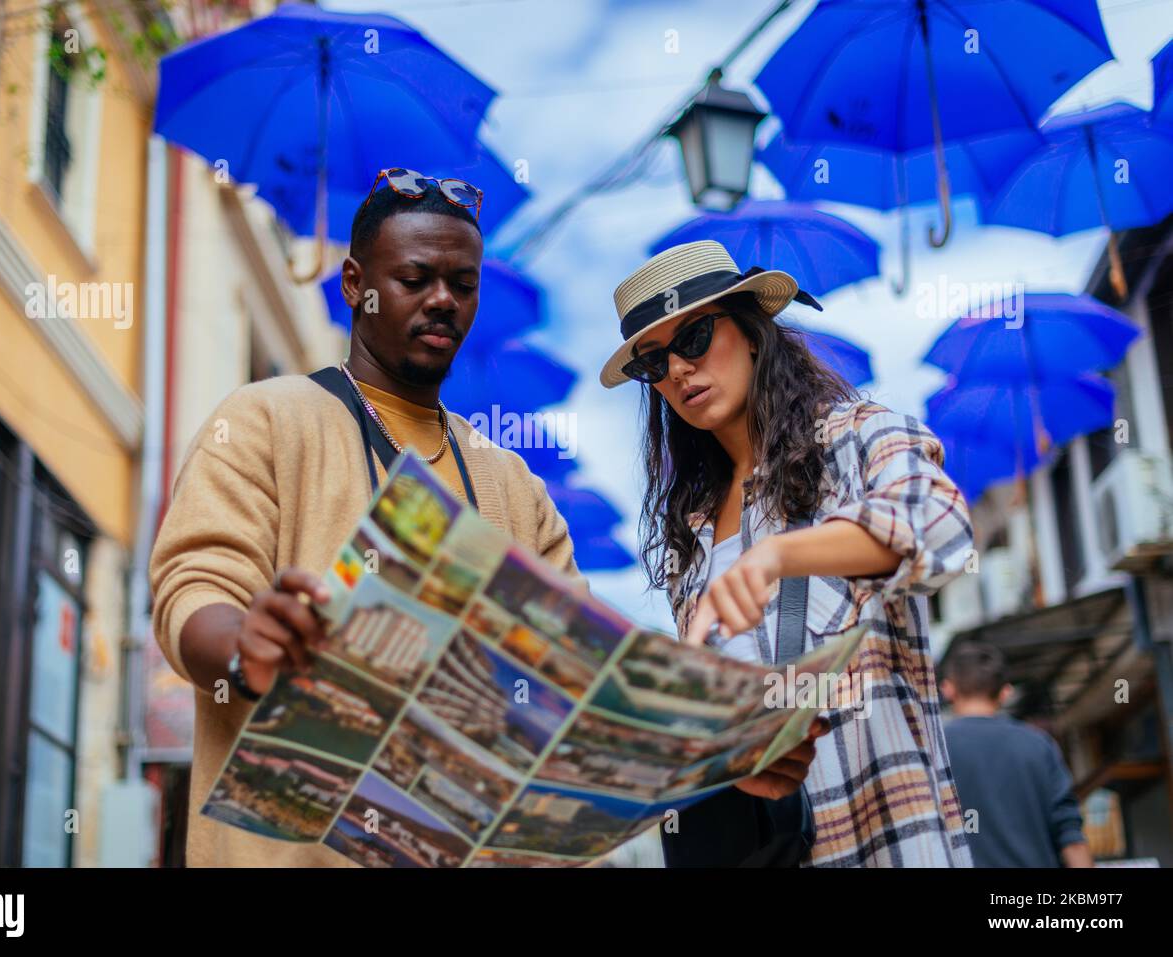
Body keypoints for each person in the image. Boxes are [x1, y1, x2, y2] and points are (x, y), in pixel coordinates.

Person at [150, 170, 823, 867]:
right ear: (355, 284)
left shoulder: (515, 487)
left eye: (463, 284)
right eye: (415, 278)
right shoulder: (265, 420)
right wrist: (246, 648)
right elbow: (194, 588)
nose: (443, 299)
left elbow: (584, 694)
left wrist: (721, 755)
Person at [600, 239, 975, 867]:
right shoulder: (689, 539)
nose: (679, 371)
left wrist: (780, 556)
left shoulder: (856, 436)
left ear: (750, 331)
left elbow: (940, 525)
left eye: (694, 338)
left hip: (880, 842)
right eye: (653, 363)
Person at [941, 643, 1093, 868]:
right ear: (1006, 692)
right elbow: (1070, 834)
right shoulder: (1039, 745)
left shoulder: (935, 751)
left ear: (947, 689)